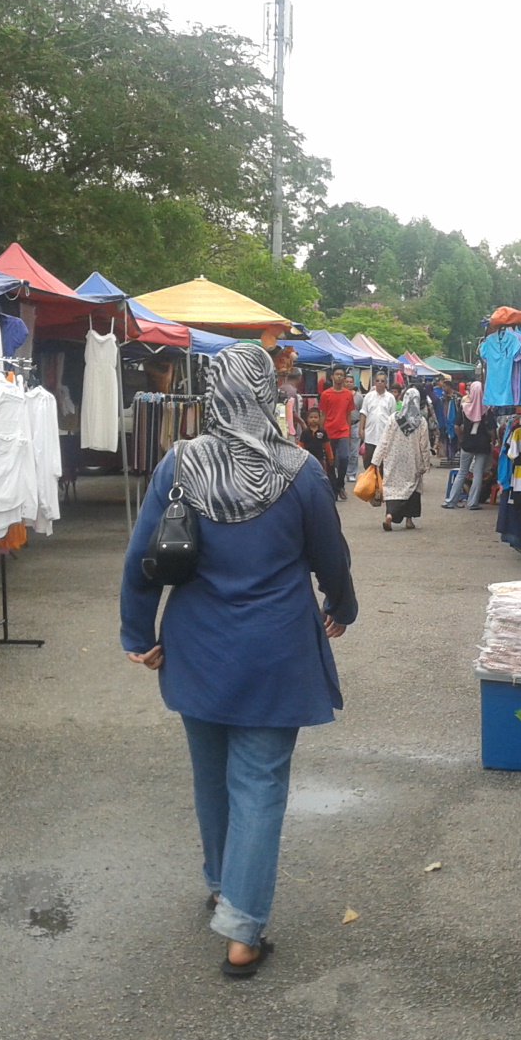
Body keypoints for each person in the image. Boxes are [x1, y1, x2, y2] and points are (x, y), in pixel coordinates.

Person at [121, 342, 358, 979]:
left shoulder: (181, 463)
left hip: (198, 648)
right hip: (276, 650)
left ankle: (225, 886)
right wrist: (342, 604)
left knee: (212, 775)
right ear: (265, 394)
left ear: (212, 390)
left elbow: (144, 555)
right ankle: (242, 930)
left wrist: (136, 631)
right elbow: (330, 555)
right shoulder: (300, 469)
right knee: (258, 783)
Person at [374, 388, 432, 532]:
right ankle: (409, 520)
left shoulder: (394, 418)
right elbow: (424, 444)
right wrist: (426, 463)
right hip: (413, 459)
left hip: (393, 459)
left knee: (393, 487)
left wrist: (376, 459)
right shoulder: (421, 421)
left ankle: (389, 515)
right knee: (412, 488)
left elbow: (384, 439)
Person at [442, 380, 494, 510]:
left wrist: (461, 439)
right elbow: (492, 430)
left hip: (467, 444)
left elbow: (456, 426)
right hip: (482, 445)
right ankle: (473, 503)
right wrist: (491, 440)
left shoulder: (465, 407)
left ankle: (451, 500)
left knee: (462, 472)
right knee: (478, 474)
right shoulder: (487, 409)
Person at [318, 367, 355, 499]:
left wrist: (349, 432)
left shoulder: (348, 394)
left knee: (344, 458)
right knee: (330, 461)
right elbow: (323, 414)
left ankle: (340, 485)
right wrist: (320, 432)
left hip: (343, 431)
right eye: (337, 374)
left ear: (344, 378)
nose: (339, 377)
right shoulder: (326, 395)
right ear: (332, 377)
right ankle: (334, 489)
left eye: (341, 375)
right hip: (328, 431)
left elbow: (348, 414)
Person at [358, 377, 396, 469]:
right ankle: (371, 481)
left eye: (382, 381)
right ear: (374, 382)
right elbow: (364, 413)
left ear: (386, 383)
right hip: (370, 434)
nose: (380, 383)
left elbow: (393, 417)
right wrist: (361, 429)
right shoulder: (369, 396)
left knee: (383, 462)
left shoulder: (390, 398)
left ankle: (381, 482)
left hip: (385, 434)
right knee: (368, 460)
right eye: (378, 381)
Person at [300, 407, 337, 491]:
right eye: (311, 417)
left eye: (315, 417)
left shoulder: (322, 432)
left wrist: (330, 458)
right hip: (307, 458)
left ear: (320, 419)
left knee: (321, 474)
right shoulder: (305, 432)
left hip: (320, 457)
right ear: (307, 419)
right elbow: (301, 446)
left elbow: (327, 445)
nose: (313, 419)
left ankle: (322, 490)